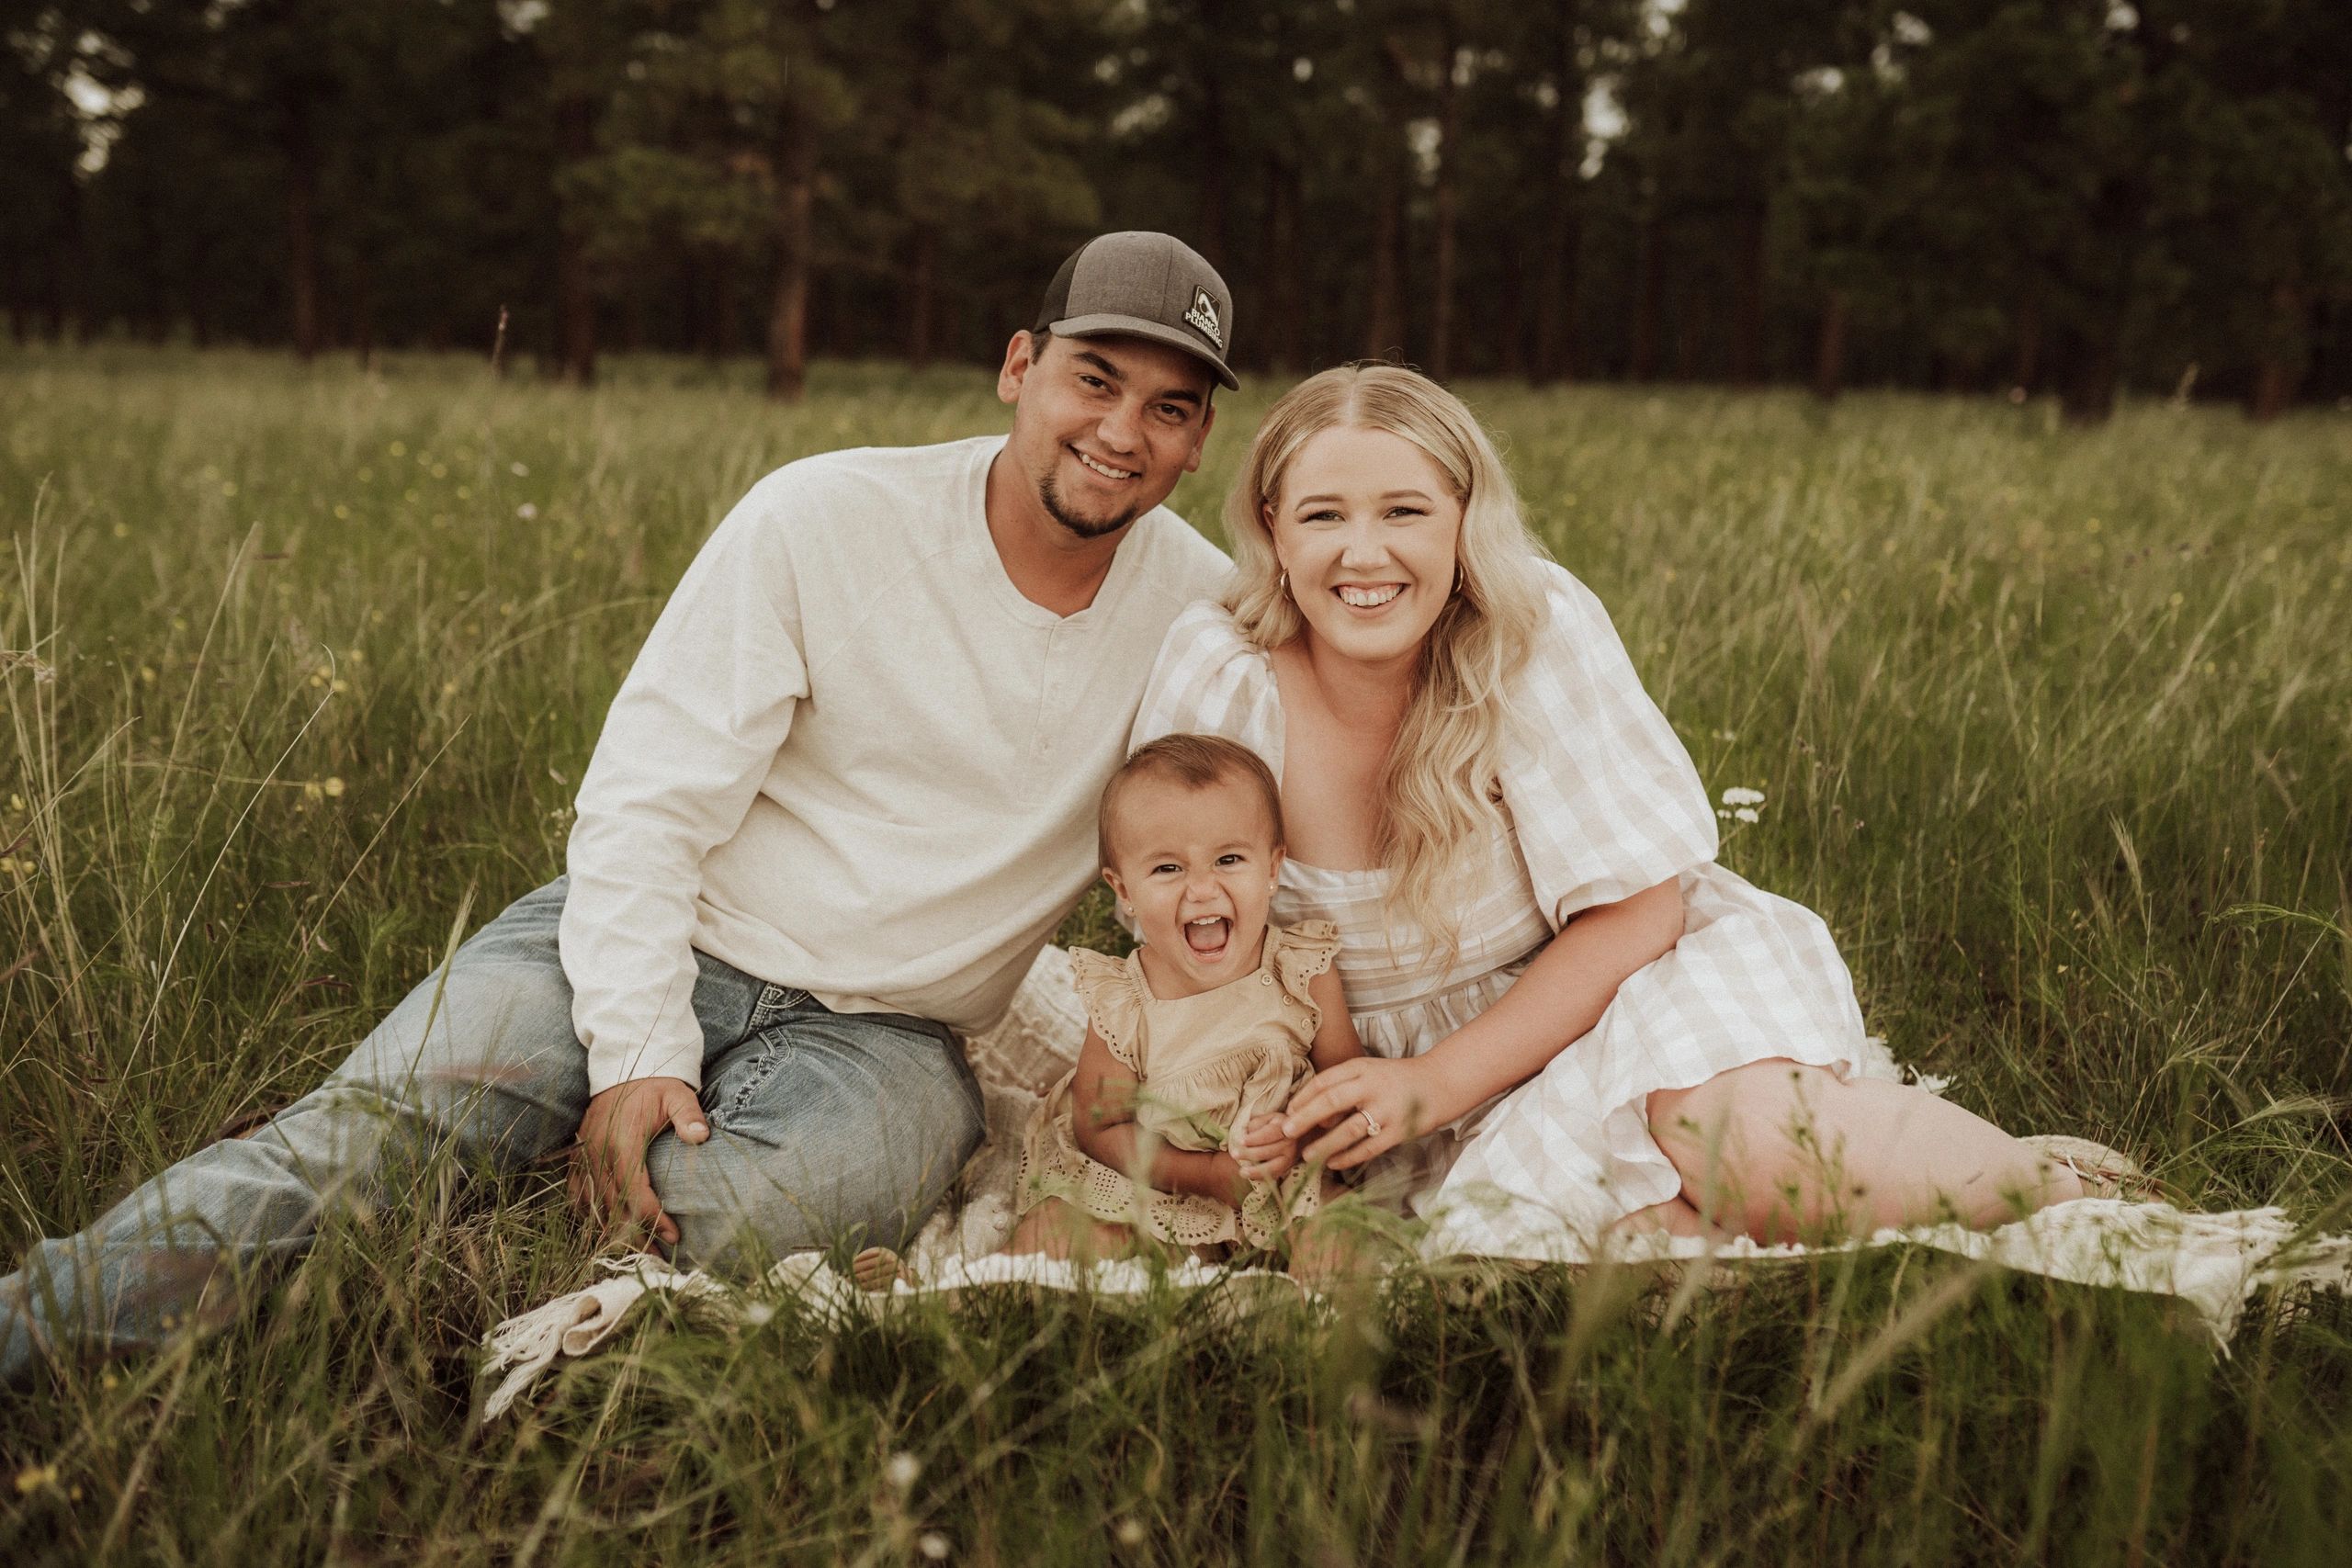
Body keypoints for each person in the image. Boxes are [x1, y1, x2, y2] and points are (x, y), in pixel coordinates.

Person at [0, 231, 1238, 1385]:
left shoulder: (1200, 619)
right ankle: (46, 1317)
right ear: (1019, 367)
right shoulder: (825, 516)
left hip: (891, 1036)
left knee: (742, 1222)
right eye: (1093, 379)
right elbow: (647, 801)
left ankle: (442, 1271)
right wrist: (641, 1052)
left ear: (1198, 442)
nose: (1120, 431)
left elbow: (1273, 812)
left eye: (1168, 407)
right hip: (666, 931)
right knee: (356, 1149)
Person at [1136, 364, 2123, 1254]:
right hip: (1353, 1081)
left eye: (1404, 511)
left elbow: (1642, 912)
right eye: (1323, 516)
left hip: (1596, 1002)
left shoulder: (1524, 632)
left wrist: (1434, 1084)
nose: (1364, 553)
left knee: (1755, 1158)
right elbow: (1182, 925)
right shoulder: (1223, 675)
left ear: (1463, 522)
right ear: (1271, 526)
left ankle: (2062, 1190)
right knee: (1533, 1253)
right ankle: (1773, 1199)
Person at [1007, 732, 1359, 1258]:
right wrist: (1203, 1173)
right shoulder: (1125, 1002)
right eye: (1167, 868)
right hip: (1159, 1188)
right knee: (1059, 1233)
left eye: (1228, 859)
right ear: (1124, 890)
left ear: (1272, 868)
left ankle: (1318, 1296)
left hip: (1285, 1184)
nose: (1202, 889)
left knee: (1346, 1237)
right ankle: (959, 1287)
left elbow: (1346, 1090)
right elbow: (1101, 1129)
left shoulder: (1302, 972)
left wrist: (1297, 1136)